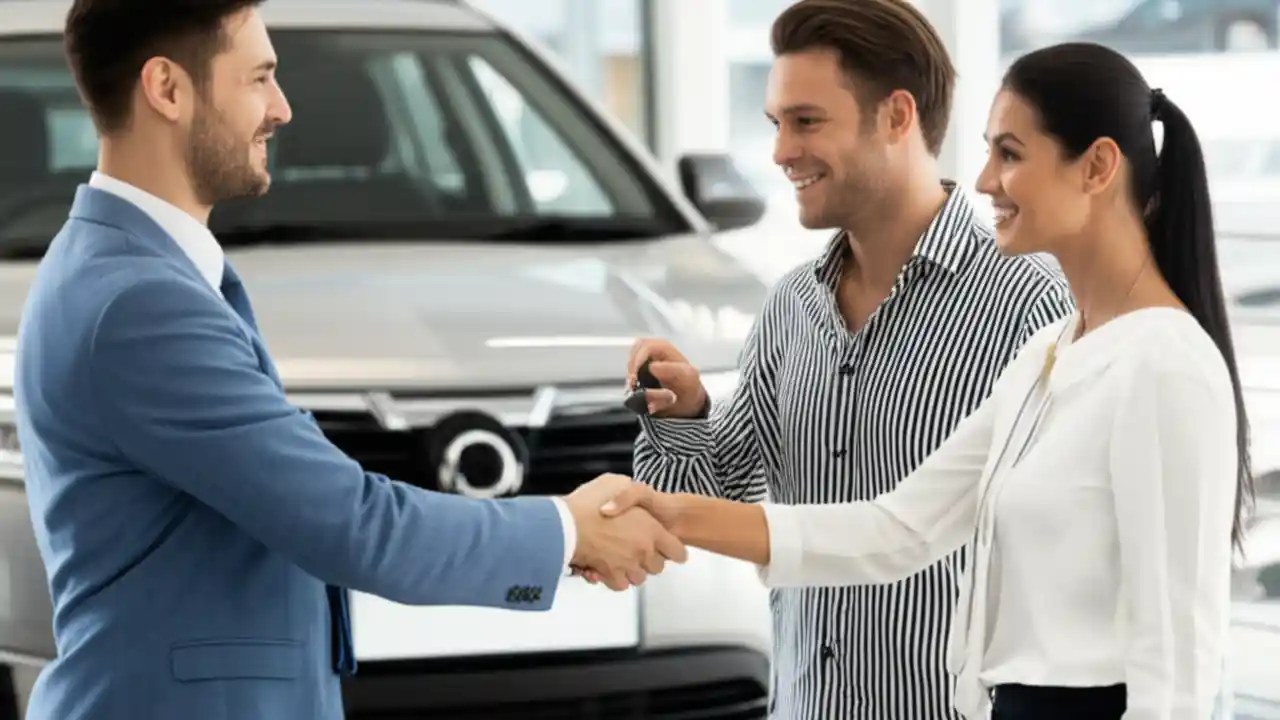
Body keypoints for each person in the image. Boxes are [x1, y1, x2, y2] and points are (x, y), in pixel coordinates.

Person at [12, 2, 683, 719]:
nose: (282, 108)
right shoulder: (138, 303)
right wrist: (569, 529)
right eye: (259, 78)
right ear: (167, 90)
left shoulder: (135, 272)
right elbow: (350, 522)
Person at [602, 41, 1254, 720]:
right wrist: (665, 511)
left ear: (1095, 167)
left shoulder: (1165, 365)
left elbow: (1179, 674)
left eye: (1010, 154)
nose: (983, 181)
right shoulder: (1049, 355)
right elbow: (896, 530)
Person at [619, 1, 1072, 717]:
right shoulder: (791, 307)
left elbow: (1069, 558)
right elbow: (723, 495)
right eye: (775, 125)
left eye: (806, 121)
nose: (778, 152)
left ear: (895, 117)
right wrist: (689, 413)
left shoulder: (1029, 305)